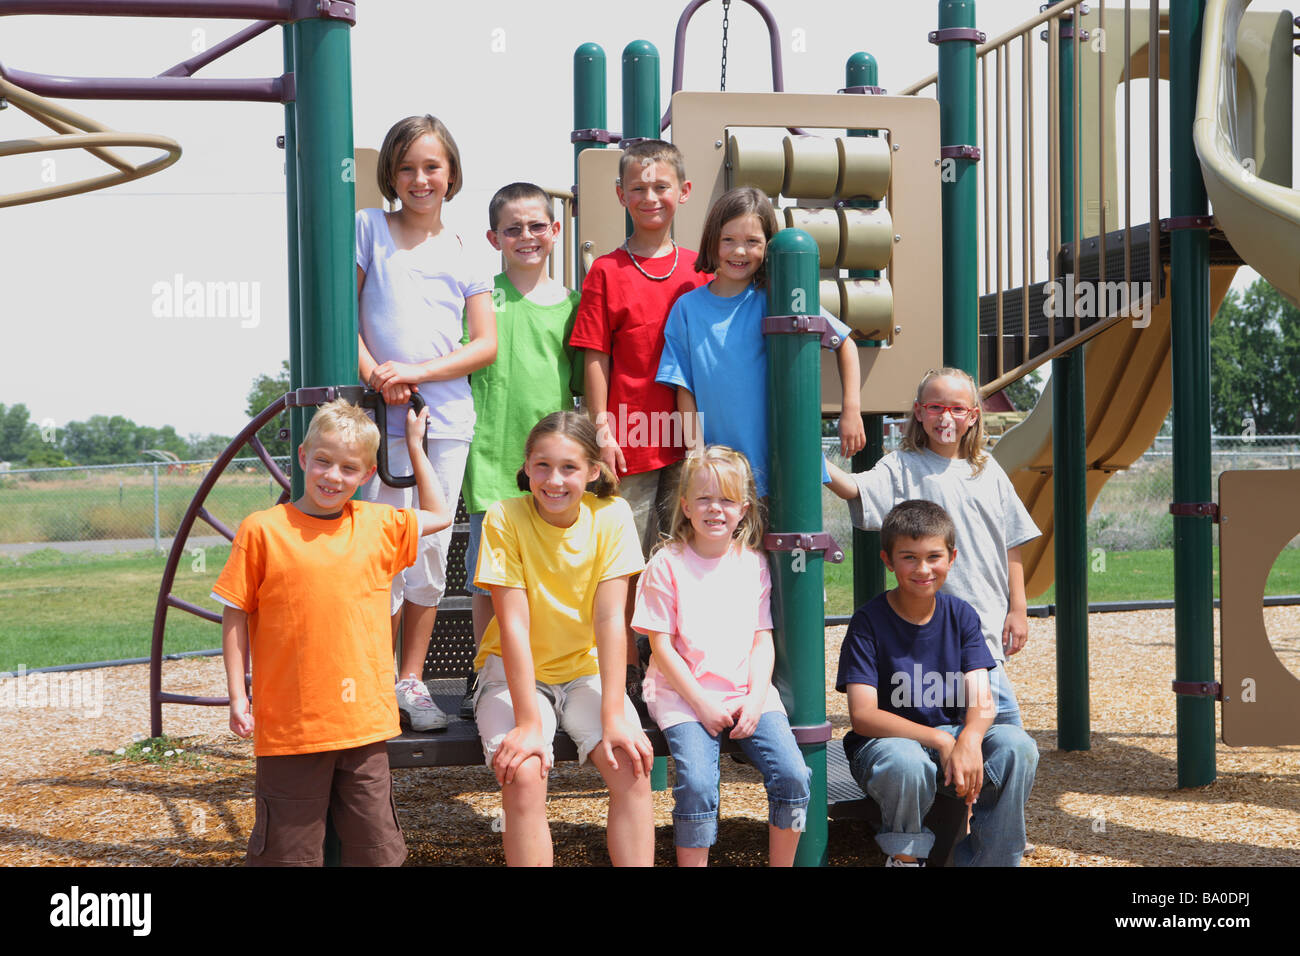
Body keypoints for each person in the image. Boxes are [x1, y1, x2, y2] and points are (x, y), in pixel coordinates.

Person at [215, 399, 453, 866]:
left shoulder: (378, 524)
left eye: (349, 468)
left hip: (364, 723)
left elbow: (439, 514)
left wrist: (414, 447)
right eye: (322, 461)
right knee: (289, 852)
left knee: (377, 847)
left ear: (366, 476)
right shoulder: (263, 530)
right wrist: (237, 696)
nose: (332, 476)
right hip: (291, 727)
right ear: (302, 457)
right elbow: (236, 614)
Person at [357, 114, 497, 732]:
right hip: (377, 419)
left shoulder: (464, 248)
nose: (420, 179)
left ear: (451, 173)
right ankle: (371, 680)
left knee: (429, 551)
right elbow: (345, 317)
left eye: (432, 167)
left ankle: (411, 681)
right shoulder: (368, 229)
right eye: (408, 167)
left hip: (442, 421)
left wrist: (414, 369)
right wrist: (376, 376)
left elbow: (483, 343)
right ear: (391, 172)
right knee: (379, 551)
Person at [471, 411, 655, 866]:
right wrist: (529, 723)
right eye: (543, 466)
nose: (554, 480)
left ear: (593, 471)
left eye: (569, 468)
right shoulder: (504, 517)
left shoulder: (612, 515)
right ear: (527, 466)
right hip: (515, 676)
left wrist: (614, 714)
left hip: (584, 670)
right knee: (524, 772)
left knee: (629, 764)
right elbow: (512, 625)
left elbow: (612, 619)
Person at [568, 138, 711, 693]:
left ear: (684, 191)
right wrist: (601, 427)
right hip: (629, 435)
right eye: (639, 188)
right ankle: (622, 665)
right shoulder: (606, 270)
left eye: (661, 186)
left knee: (681, 551)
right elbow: (595, 354)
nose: (650, 197)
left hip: (688, 436)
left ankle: (674, 664)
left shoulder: (701, 270)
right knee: (624, 555)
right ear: (620, 194)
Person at [825, 367, 1039, 725]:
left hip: (983, 626)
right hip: (929, 629)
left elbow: (1010, 542)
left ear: (973, 416)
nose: (946, 417)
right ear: (919, 412)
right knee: (943, 728)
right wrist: (809, 456)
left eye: (957, 409)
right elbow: (853, 487)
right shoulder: (902, 467)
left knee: (1004, 734)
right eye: (936, 407)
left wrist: (1018, 607)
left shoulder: (987, 470)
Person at [633, 446, 810, 866]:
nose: (716, 509)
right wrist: (701, 703)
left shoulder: (754, 564)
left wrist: (755, 698)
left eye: (728, 500)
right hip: (684, 693)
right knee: (697, 783)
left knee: (795, 775)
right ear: (685, 507)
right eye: (705, 499)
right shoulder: (666, 564)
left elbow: (761, 639)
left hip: (748, 689)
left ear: (744, 509)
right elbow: (661, 646)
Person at [836, 499, 1038, 867]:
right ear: (888, 560)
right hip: (885, 748)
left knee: (1016, 746)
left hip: (950, 736)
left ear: (952, 557)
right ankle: (905, 858)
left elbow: (981, 697)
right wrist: (942, 739)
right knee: (906, 761)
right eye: (909, 557)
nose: (923, 568)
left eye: (933, 556)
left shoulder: (961, 615)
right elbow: (863, 716)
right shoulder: (868, 622)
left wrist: (971, 738)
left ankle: (991, 860)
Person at [657, 185, 865, 497]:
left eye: (752, 242)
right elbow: (684, 387)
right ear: (712, 240)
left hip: (781, 463)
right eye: (728, 240)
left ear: (769, 246)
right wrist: (695, 452)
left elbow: (844, 342)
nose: (739, 251)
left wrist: (851, 410)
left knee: (787, 541)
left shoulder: (778, 299)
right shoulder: (688, 309)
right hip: (721, 469)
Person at [461, 182, 582, 714]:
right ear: (494, 238)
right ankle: (487, 675)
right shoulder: (481, 299)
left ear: (555, 232)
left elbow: (578, 384)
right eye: (513, 228)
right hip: (490, 459)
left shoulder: (572, 306)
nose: (526, 236)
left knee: (546, 578)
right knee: (488, 581)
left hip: (551, 468)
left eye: (537, 226)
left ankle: (548, 675)